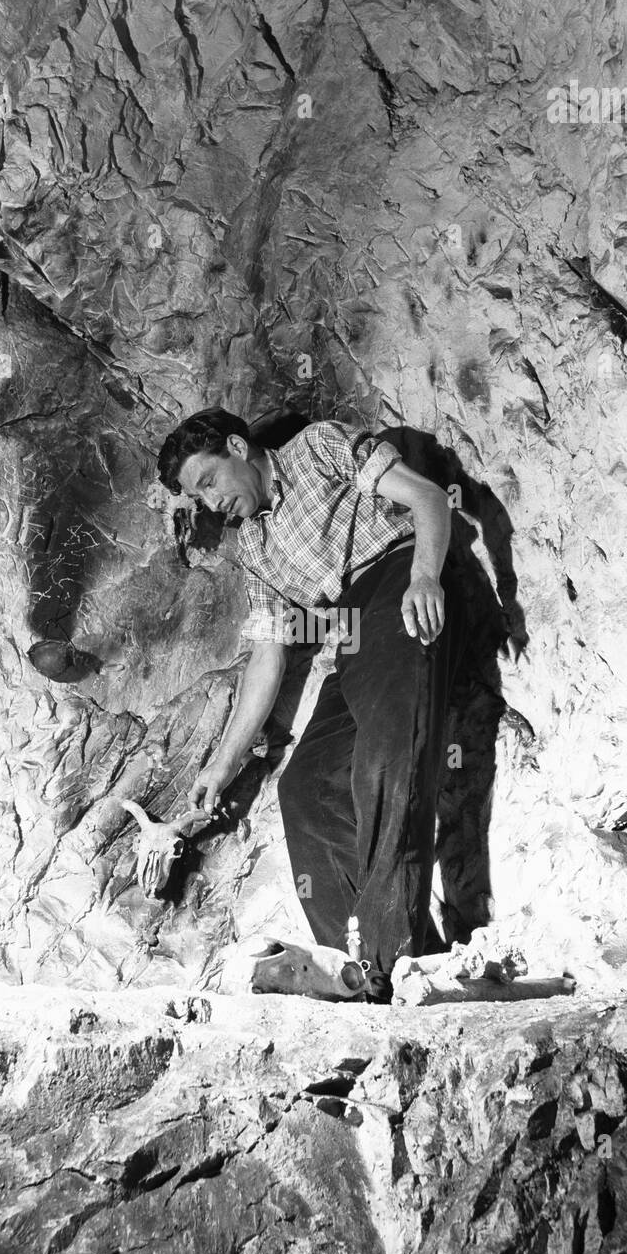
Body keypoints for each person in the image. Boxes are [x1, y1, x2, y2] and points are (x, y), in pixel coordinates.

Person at [157, 408, 464, 1001]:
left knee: (386, 756)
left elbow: (430, 498)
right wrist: (222, 766)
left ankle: (396, 961)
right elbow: (267, 659)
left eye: (209, 481)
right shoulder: (254, 548)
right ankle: (362, 972)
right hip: (350, 629)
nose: (209, 502)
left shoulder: (315, 449)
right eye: (196, 497)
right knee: (305, 788)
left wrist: (426, 576)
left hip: (400, 579)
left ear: (238, 447)